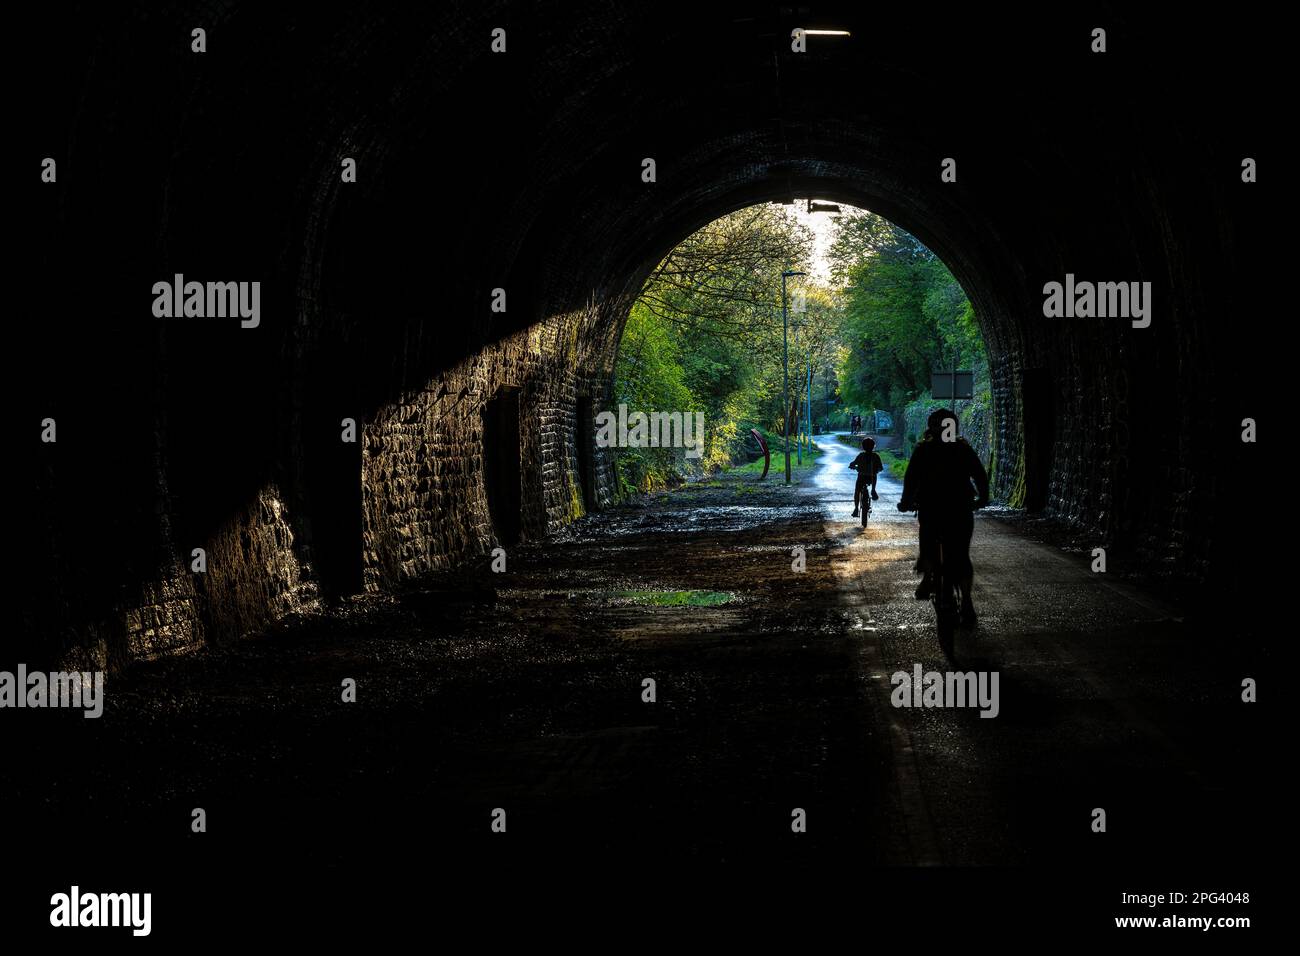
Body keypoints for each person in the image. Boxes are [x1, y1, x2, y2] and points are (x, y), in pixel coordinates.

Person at [897, 409, 989, 624]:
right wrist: (983, 498)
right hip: (960, 508)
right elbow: (980, 475)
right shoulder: (963, 449)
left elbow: (911, 480)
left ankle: (928, 577)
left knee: (928, 543)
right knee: (961, 555)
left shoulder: (923, 449)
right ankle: (966, 601)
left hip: (931, 508)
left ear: (930, 427)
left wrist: (906, 502)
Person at [849, 437, 884, 517]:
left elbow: (854, 463)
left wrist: (852, 465)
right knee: (874, 475)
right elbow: (880, 467)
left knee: (857, 491)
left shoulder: (861, 455)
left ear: (863, 446)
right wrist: (877, 469)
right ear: (873, 446)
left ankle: (856, 509)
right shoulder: (876, 456)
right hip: (871, 478)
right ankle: (873, 489)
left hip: (861, 477)